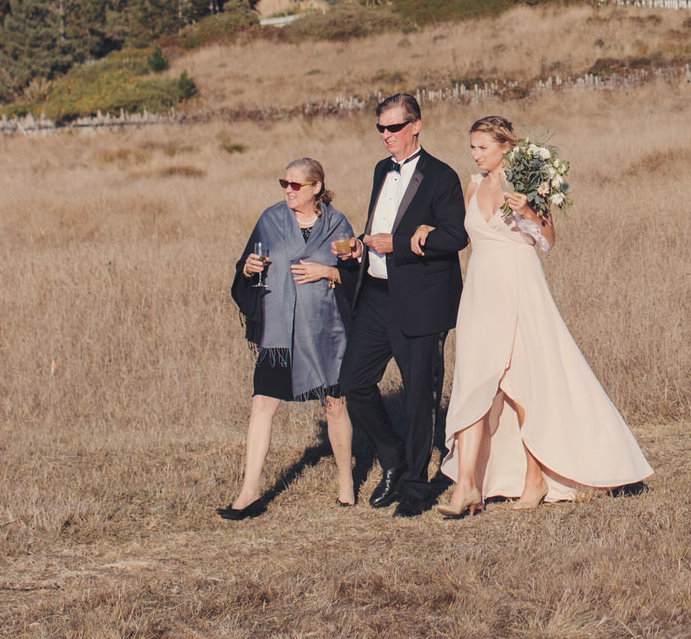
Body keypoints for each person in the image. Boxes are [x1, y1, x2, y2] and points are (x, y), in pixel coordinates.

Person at [439, 116, 652, 517]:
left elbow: (548, 241)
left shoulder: (528, 183)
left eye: (483, 147)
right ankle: (466, 486)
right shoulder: (472, 185)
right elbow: (463, 238)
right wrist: (424, 231)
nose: (475, 155)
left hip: (520, 286)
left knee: (523, 382)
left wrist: (528, 211)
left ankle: (534, 478)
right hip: (480, 292)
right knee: (472, 382)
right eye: (472, 147)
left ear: (506, 147)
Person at [333, 93, 469, 517]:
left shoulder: (441, 176)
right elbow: (380, 225)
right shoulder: (381, 170)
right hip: (375, 295)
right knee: (353, 382)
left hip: (421, 300)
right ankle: (392, 459)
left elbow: (456, 236)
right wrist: (361, 247)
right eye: (381, 128)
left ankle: (416, 487)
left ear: (416, 126)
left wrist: (401, 245)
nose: (386, 135)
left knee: (419, 396)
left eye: (393, 127)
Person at [221, 158, 356, 519]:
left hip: (325, 333)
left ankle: (346, 486)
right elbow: (246, 265)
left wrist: (326, 271)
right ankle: (249, 493)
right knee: (262, 404)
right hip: (279, 333)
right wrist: (248, 269)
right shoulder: (270, 219)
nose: (288, 191)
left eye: (296, 185)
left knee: (334, 405)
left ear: (316, 188)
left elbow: (354, 274)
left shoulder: (338, 224)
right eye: (284, 183)